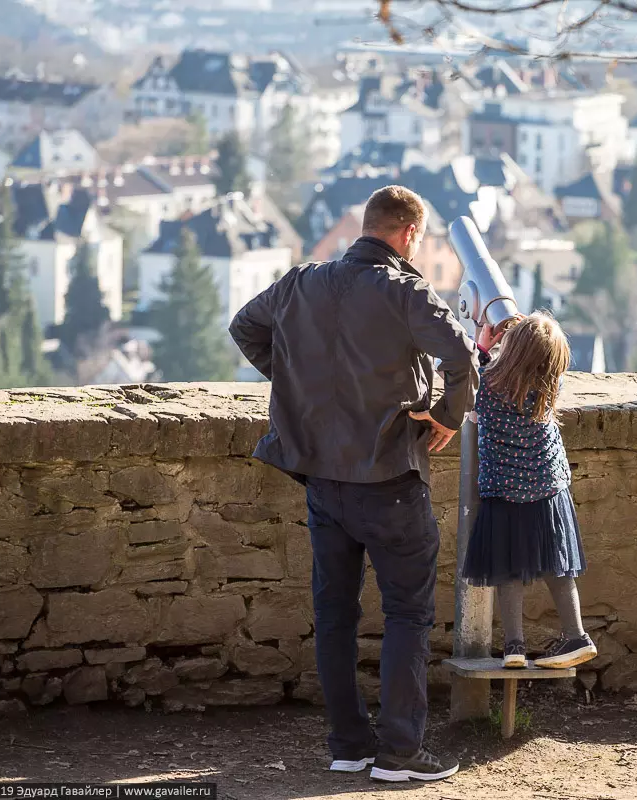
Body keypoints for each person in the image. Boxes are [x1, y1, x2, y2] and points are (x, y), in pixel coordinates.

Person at [229, 185, 476, 782]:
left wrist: (295, 383)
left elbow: (244, 328)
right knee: (408, 615)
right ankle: (399, 752)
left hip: (321, 481)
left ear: (364, 227)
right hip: (388, 475)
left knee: (333, 614)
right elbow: (463, 359)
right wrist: (446, 415)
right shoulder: (404, 290)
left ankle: (347, 745)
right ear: (409, 233)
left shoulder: (299, 282)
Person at [461, 313, 597, 671]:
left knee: (508, 569)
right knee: (558, 566)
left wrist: (484, 346)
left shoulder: (489, 387)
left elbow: (472, 382)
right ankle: (575, 634)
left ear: (513, 350)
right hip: (548, 490)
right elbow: (535, 361)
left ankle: (514, 647)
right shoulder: (552, 384)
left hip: (504, 492)